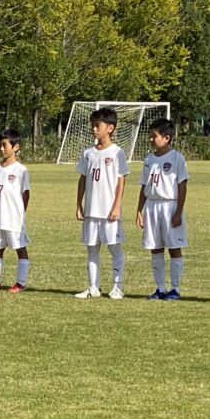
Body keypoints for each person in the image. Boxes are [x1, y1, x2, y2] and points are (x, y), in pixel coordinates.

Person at [74, 107, 128, 300]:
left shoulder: (117, 152)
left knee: (114, 247)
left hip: (109, 210)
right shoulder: (88, 152)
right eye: (93, 125)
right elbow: (82, 179)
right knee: (92, 249)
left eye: (98, 125)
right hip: (91, 209)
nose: (94, 129)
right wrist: (79, 204)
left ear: (110, 128)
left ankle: (117, 286)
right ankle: (93, 287)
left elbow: (121, 180)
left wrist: (117, 205)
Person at [135, 117, 187, 300]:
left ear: (166, 138)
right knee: (155, 247)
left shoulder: (176, 158)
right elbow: (144, 185)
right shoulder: (149, 159)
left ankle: (175, 288)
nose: (150, 139)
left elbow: (182, 186)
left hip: (169, 205)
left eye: (154, 136)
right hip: (152, 206)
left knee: (174, 247)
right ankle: (160, 288)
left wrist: (178, 212)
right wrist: (139, 210)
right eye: (150, 135)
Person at [0, 129, 30, 293]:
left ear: (15, 147)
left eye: (5, 145)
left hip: (14, 218)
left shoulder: (21, 170)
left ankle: (21, 282)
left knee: (20, 248)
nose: (1, 149)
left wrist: (20, 214)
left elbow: (26, 194)